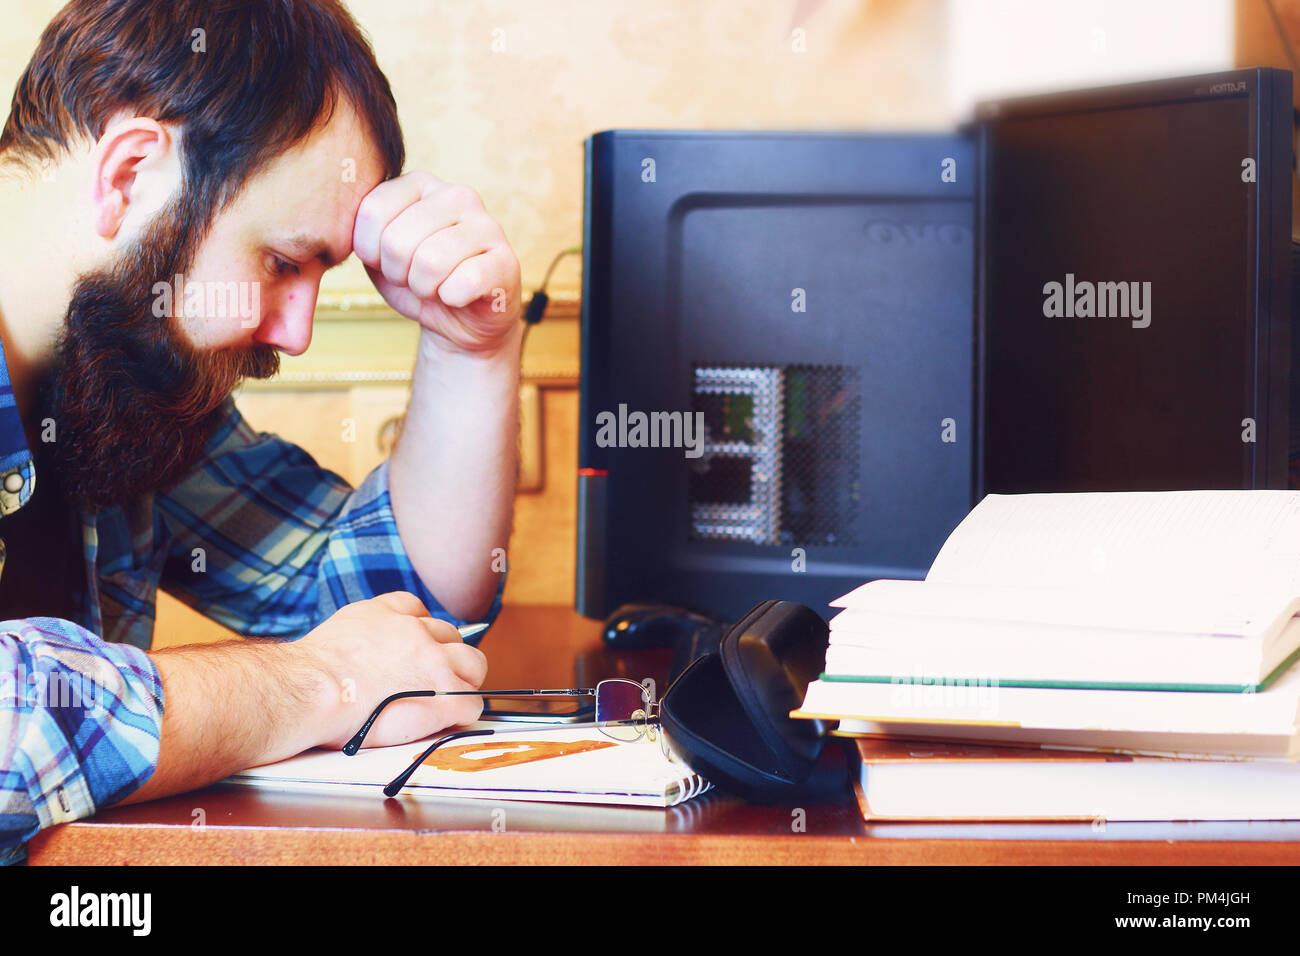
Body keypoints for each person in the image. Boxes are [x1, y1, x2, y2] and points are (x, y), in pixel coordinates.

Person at [0, 0, 522, 863]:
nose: (295, 333)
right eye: (282, 263)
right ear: (129, 174)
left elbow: (395, 622)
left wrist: (472, 350)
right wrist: (309, 682)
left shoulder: (117, 382)